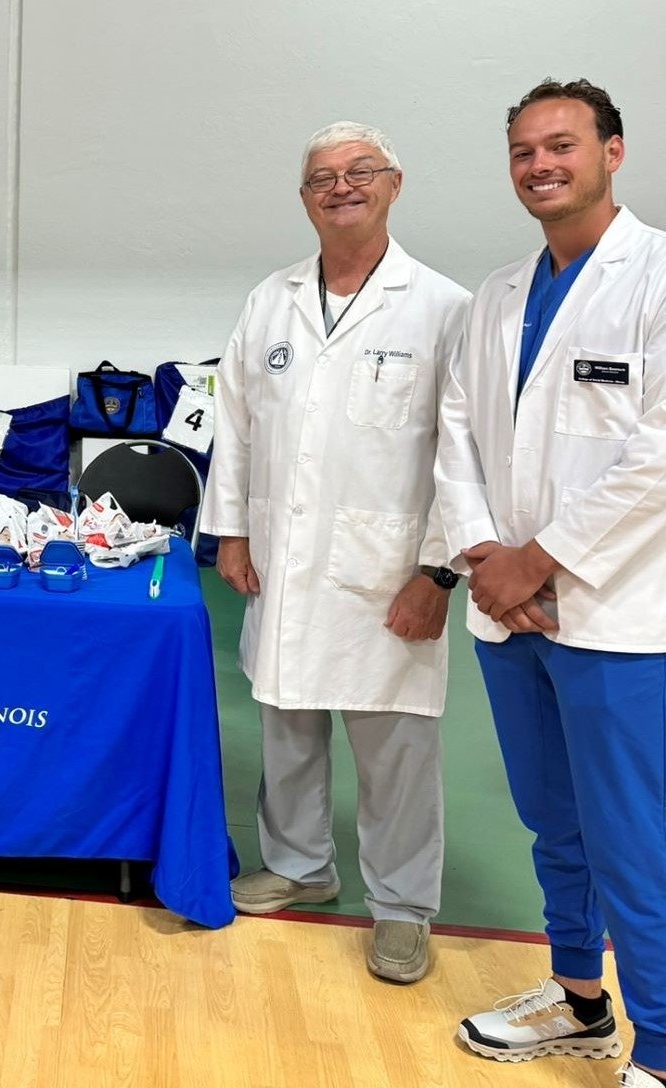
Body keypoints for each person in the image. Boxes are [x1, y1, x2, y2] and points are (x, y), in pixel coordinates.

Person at [437, 79, 666, 1088]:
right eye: (523, 149)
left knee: (631, 829)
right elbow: (454, 437)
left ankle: (659, 1053)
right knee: (553, 820)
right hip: (511, 607)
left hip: (622, 615)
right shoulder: (492, 298)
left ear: (613, 151)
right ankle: (576, 997)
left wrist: (541, 558)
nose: (540, 164)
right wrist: (488, 556)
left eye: (561, 144)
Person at [201, 122, 471, 984]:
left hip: (388, 567)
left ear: (395, 185)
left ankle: (401, 907)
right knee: (284, 717)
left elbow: (462, 457)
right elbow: (236, 425)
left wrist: (439, 573)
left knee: (394, 747)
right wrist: (234, 529)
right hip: (284, 553)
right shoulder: (269, 300)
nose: (341, 186)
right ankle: (299, 866)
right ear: (305, 195)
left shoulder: (442, 307)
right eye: (323, 176)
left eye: (360, 172)